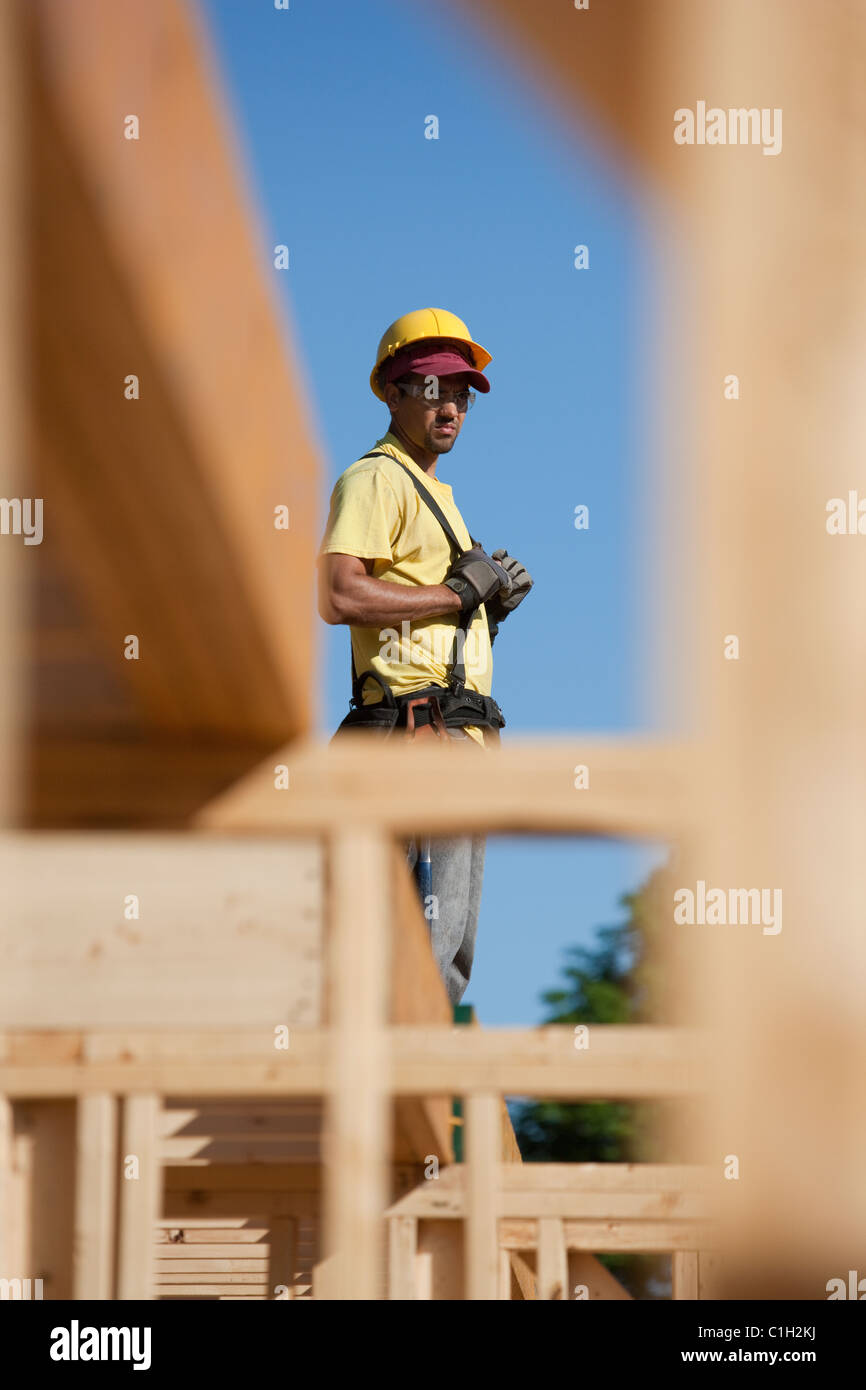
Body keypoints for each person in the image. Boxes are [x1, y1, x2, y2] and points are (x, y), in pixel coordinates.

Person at [317, 307, 533, 1004]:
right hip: (415, 738)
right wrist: (453, 592)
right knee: (411, 954)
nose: (452, 404)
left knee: (445, 966)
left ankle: (419, 1098)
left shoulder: (435, 492)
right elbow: (340, 594)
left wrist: (483, 611)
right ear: (392, 390)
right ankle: (385, 1100)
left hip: (457, 736)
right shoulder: (375, 478)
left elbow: (426, 621)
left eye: (463, 391)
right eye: (434, 386)